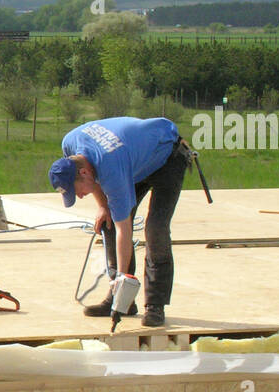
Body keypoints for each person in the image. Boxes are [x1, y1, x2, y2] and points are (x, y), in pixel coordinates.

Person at [48, 116, 188, 328]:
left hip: (168, 157)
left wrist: (123, 280)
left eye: (78, 191)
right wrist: (103, 206)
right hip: (134, 161)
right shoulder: (70, 143)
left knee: (155, 230)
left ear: (84, 173)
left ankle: (155, 305)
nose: (82, 196)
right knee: (108, 221)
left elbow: (125, 230)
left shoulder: (111, 169)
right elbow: (95, 183)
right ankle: (124, 302)